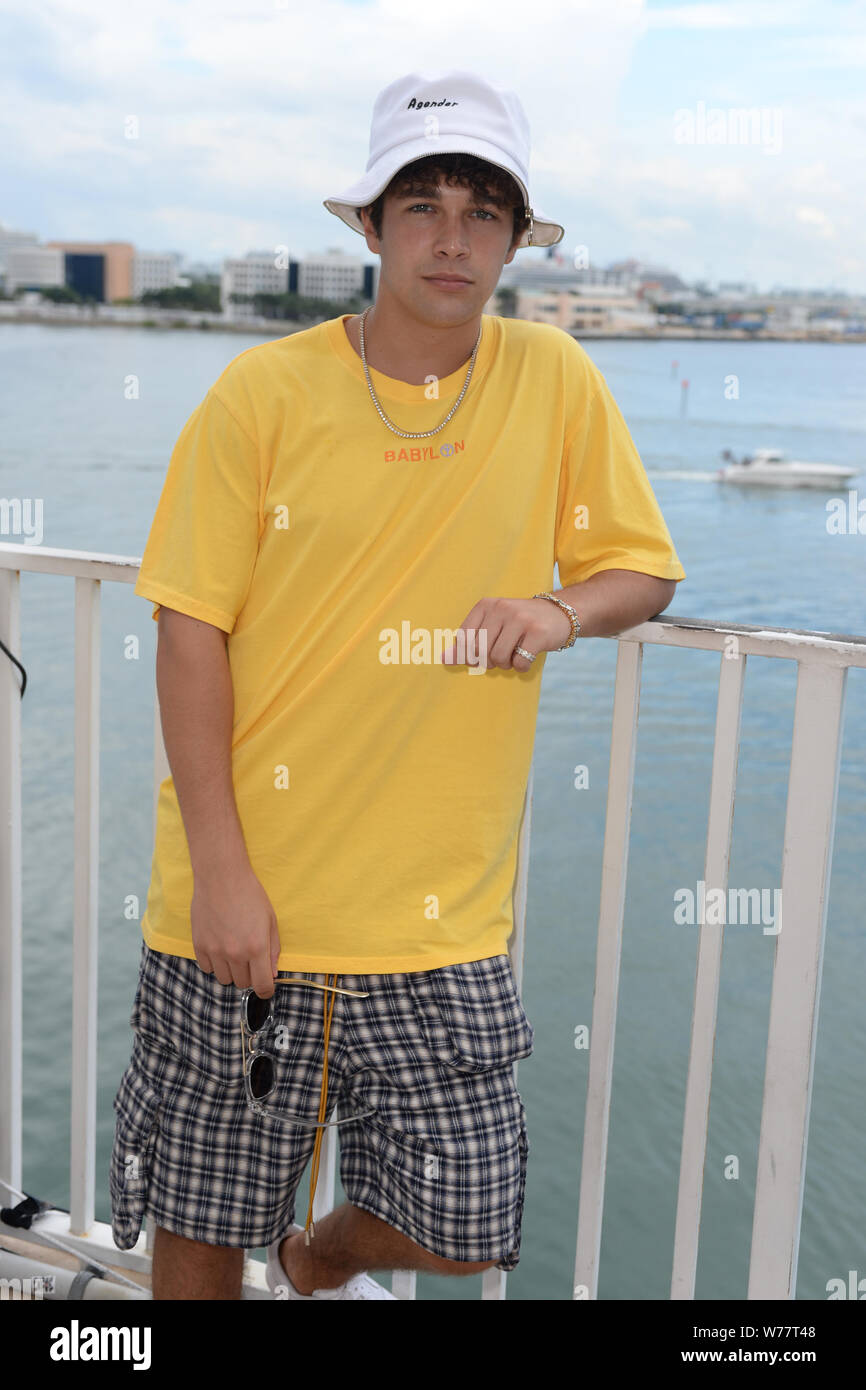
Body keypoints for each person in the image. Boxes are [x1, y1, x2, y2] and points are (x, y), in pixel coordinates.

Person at [109, 68, 686, 1301]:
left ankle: (319, 1255)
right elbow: (189, 626)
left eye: (484, 212)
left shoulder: (552, 379)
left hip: (439, 921)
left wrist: (555, 607)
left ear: (515, 240)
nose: (451, 238)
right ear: (368, 226)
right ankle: (273, 1245)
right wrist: (220, 871)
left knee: (466, 1223)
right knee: (201, 1236)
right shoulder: (259, 394)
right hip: (245, 898)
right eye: (420, 206)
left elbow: (639, 567)